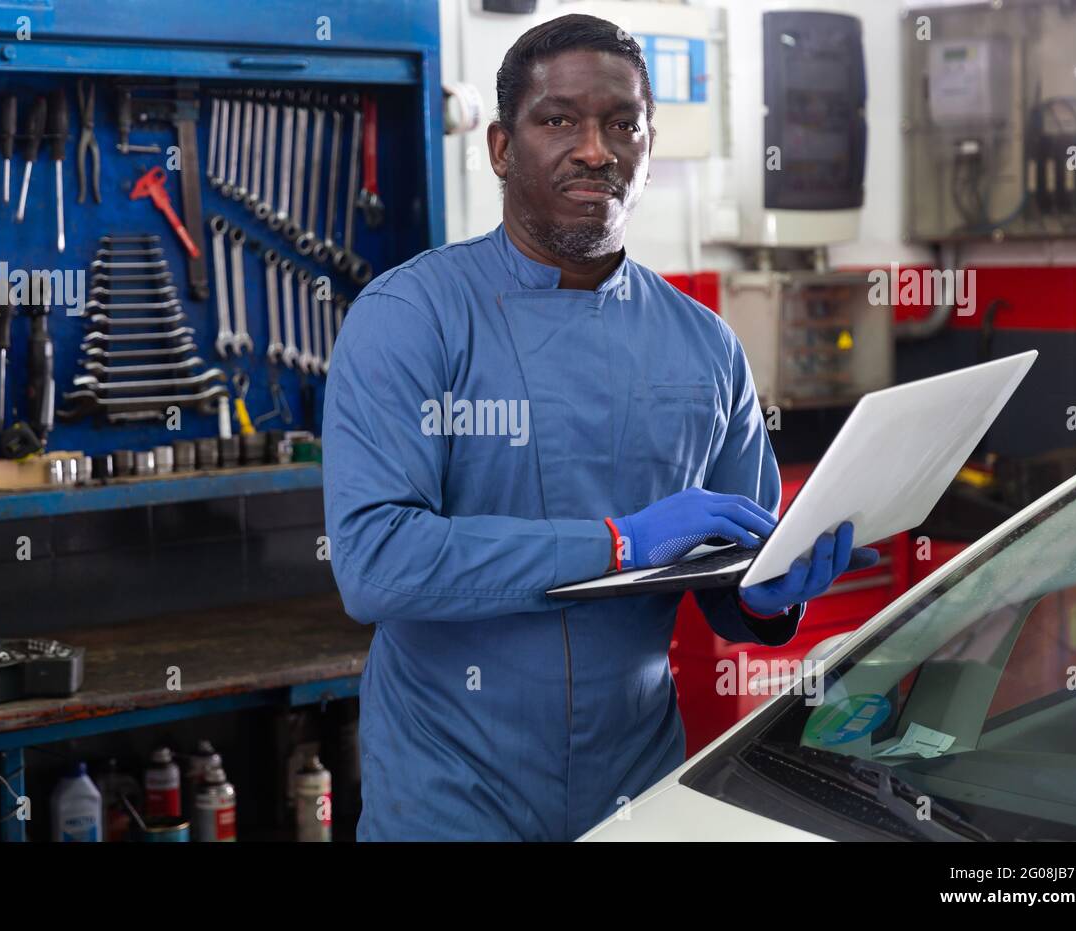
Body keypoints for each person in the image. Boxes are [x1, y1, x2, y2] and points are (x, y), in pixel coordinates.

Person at [322, 13, 877, 841]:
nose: (596, 149)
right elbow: (375, 564)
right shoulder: (411, 317)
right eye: (560, 121)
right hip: (449, 796)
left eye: (623, 124)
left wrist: (764, 597)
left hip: (635, 791)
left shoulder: (704, 344)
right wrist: (616, 543)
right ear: (502, 148)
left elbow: (735, 580)